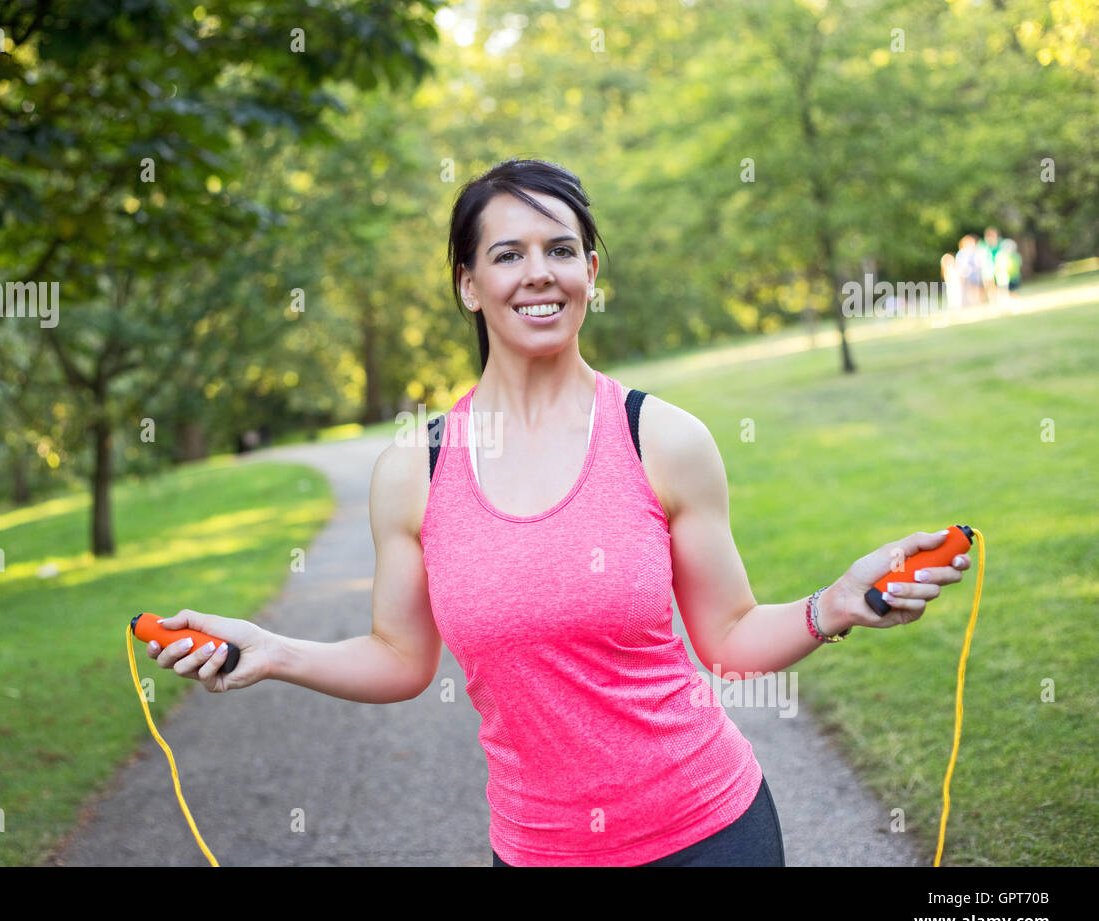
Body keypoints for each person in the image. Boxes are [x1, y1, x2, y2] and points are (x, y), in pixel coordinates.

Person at [145, 158, 971, 867]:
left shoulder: (663, 439)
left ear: (591, 273)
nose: (539, 273)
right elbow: (401, 659)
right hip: (540, 849)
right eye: (508, 254)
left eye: (561, 250)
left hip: (712, 831)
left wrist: (836, 604)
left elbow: (728, 639)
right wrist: (276, 651)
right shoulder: (414, 470)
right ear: (469, 285)